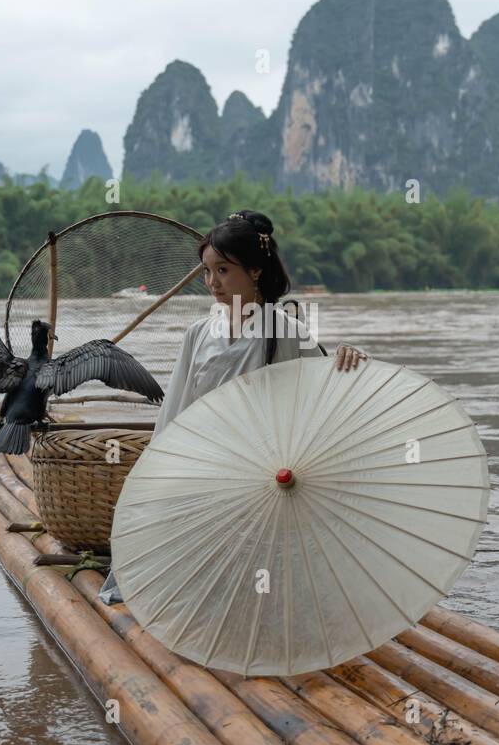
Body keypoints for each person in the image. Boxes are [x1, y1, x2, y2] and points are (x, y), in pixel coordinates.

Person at [98, 209, 368, 604]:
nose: (212, 283)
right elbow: (175, 412)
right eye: (207, 272)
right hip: (206, 468)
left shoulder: (285, 330)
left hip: (259, 471)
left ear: (255, 271)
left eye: (223, 271)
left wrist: (351, 358)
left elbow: (325, 394)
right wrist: (156, 476)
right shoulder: (199, 334)